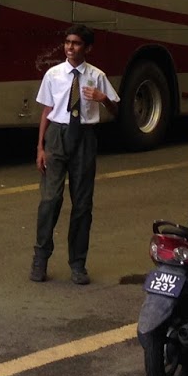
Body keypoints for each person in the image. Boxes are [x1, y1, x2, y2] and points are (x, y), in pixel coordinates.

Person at [30, 24, 120, 285]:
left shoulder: (97, 75)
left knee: (82, 204)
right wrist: (40, 147)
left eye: (77, 43)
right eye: (68, 42)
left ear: (87, 48)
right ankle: (40, 258)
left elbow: (116, 112)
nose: (70, 47)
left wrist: (103, 99)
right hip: (57, 135)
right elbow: (47, 110)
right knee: (50, 199)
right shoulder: (54, 74)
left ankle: (78, 263)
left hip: (85, 136)